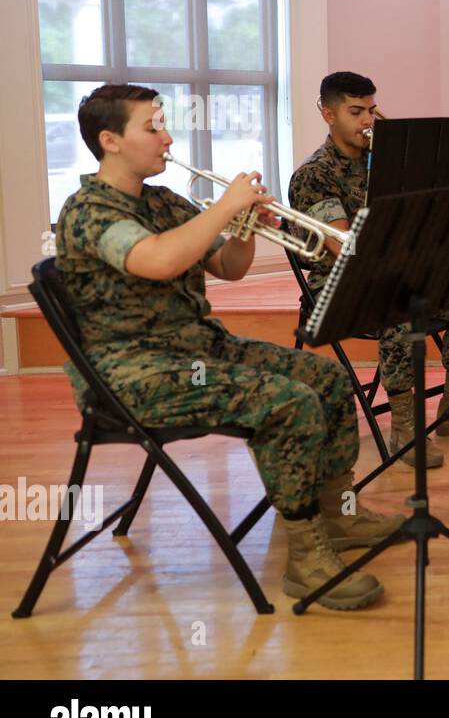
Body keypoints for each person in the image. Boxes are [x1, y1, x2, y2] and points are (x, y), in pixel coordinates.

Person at [56, 84, 403, 610]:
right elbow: (157, 260)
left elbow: (230, 269)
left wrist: (246, 229)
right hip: (130, 372)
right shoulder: (88, 210)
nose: (167, 137)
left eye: (164, 124)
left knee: (327, 379)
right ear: (111, 141)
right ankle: (307, 557)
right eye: (152, 128)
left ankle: (339, 512)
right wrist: (225, 208)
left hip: (197, 347)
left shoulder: (164, 201)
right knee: (287, 403)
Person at [288, 71, 449, 468]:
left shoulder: (388, 159)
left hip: (394, 270)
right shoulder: (315, 174)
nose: (367, 121)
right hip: (339, 283)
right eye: (355, 112)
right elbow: (346, 247)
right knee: (398, 302)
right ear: (327, 114)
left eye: (372, 110)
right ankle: (403, 423)